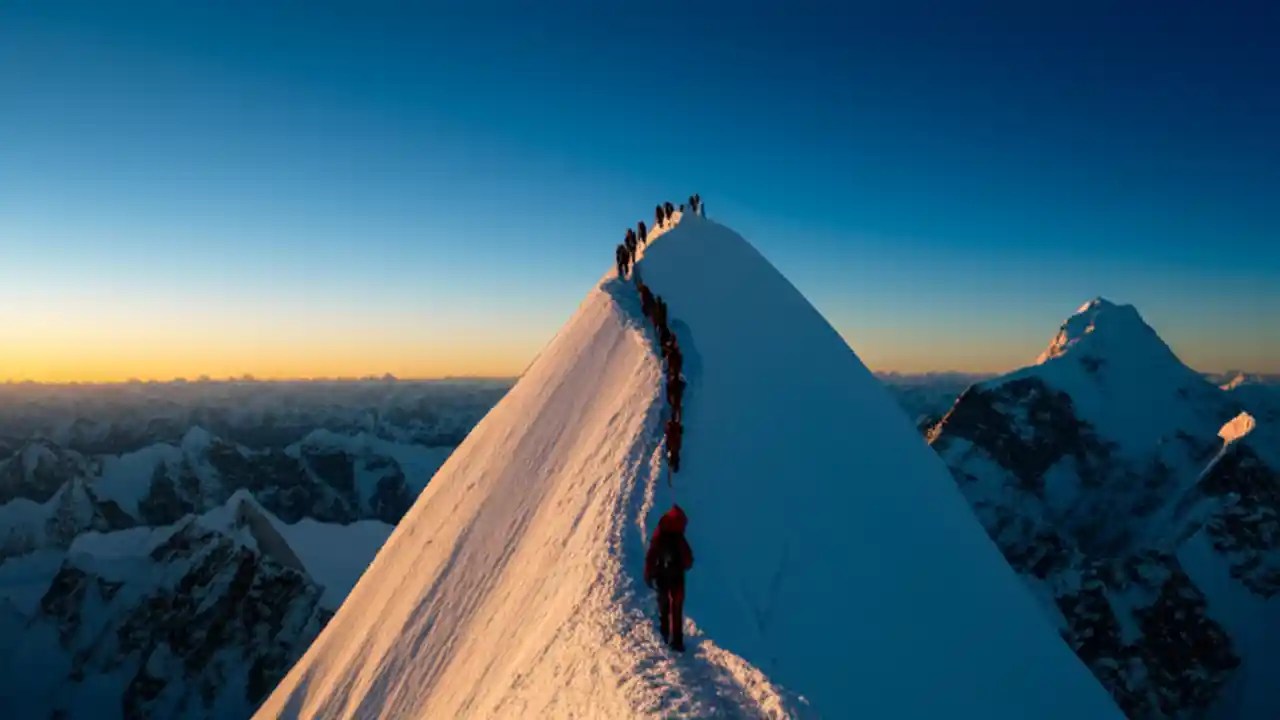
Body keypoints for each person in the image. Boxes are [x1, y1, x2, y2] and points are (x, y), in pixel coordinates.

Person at [644, 505, 694, 651]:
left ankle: (665, 631)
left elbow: (651, 555)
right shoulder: (679, 536)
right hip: (677, 575)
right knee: (676, 607)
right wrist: (686, 564)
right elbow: (687, 557)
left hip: (661, 574)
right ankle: (677, 640)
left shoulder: (660, 533)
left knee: (664, 604)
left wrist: (648, 573)